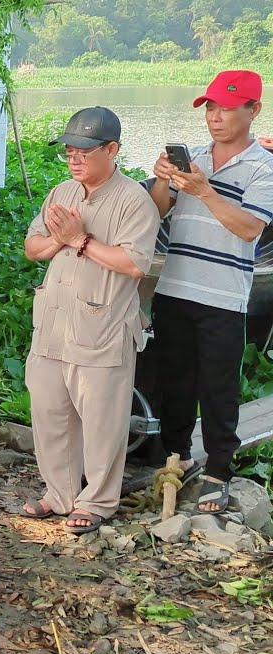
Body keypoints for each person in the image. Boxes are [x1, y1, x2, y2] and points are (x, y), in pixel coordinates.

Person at [21, 108, 160, 533]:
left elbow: (135, 263)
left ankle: (98, 501)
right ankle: (58, 494)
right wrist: (59, 241)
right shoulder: (62, 191)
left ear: (112, 149)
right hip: (53, 323)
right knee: (49, 409)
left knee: (102, 419)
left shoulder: (133, 200)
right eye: (68, 151)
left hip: (101, 328)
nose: (74, 159)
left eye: (84, 150)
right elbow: (32, 245)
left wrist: (79, 241)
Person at [148, 70, 273, 514]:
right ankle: (177, 459)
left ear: (253, 110)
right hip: (175, 287)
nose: (216, 118)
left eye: (226, 109)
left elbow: (249, 229)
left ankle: (220, 469)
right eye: (211, 109)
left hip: (223, 296)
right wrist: (164, 180)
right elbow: (157, 213)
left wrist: (203, 190)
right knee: (174, 381)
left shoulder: (263, 166)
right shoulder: (194, 156)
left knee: (218, 387)